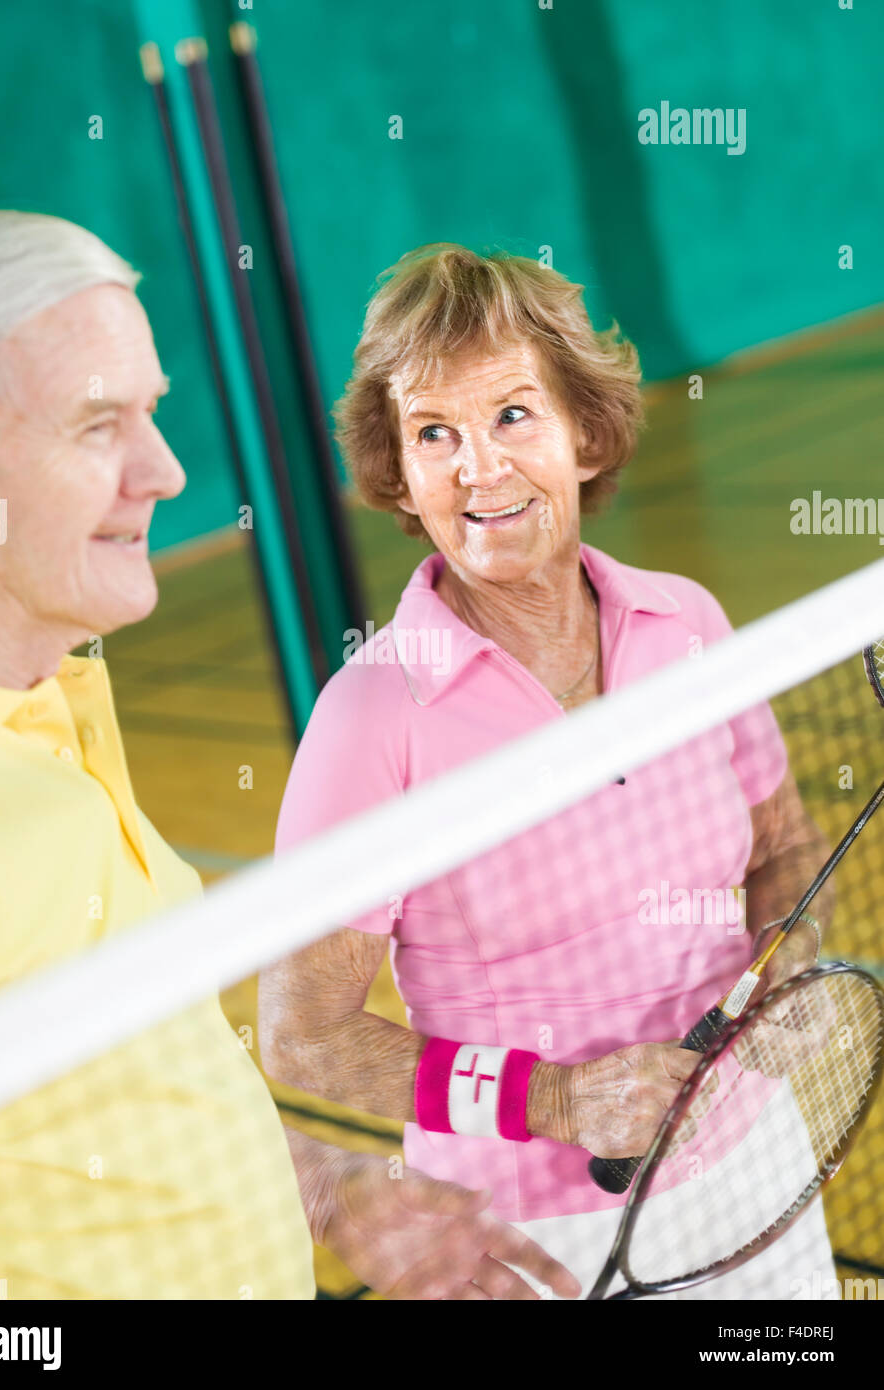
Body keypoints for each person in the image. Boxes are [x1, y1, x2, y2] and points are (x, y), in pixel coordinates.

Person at [0, 209, 579, 1301]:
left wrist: (323, 1188)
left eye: (153, 416)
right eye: (95, 428)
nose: (166, 473)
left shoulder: (43, 713)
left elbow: (108, 1104)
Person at [261, 243, 837, 1298]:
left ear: (584, 430)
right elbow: (303, 1036)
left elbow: (784, 844)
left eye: (513, 415)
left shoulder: (685, 622)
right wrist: (558, 1101)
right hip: (530, 1238)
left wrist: (789, 954)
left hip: (757, 1165)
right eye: (434, 433)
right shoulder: (370, 716)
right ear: (398, 468)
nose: (478, 467)